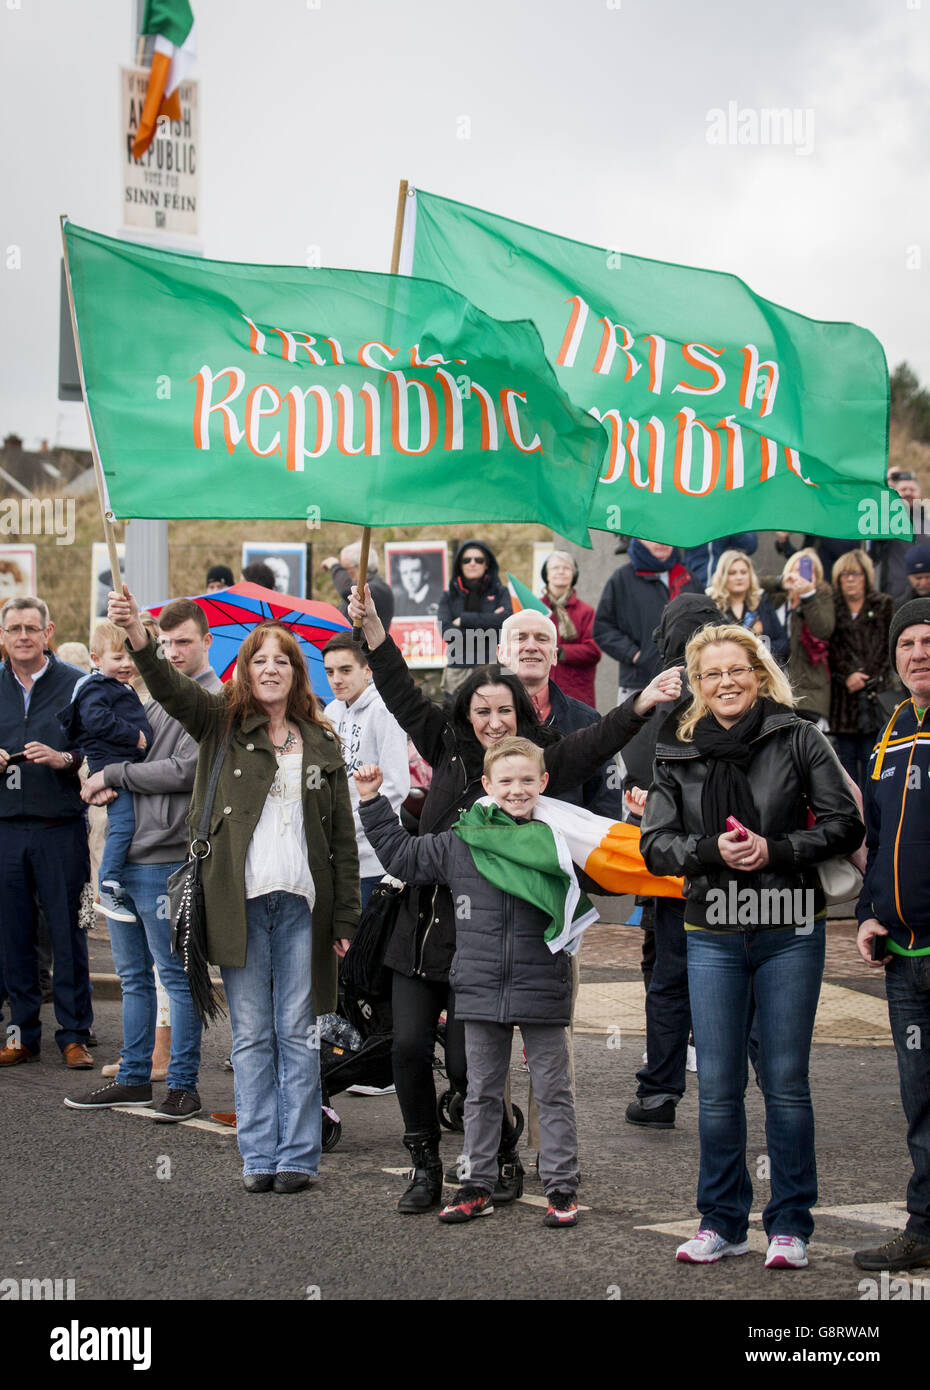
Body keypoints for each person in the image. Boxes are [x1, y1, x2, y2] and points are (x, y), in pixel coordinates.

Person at [347, 581, 680, 1212]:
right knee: (411, 1048)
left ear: (520, 719)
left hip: (499, 940)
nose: (495, 722)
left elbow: (596, 741)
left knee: (478, 1072)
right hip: (425, 929)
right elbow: (397, 690)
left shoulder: (533, 763)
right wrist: (371, 631)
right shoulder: (443, 747)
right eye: (482, 711)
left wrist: (640, 706)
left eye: (505, 711)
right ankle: (426, 1163)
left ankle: (499, 1158)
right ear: (466, 716)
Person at [107, 586, 360, 1190]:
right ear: (243, 671)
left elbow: (343, 839)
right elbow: (171, 689)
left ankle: (298, 1158)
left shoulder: (321, 740)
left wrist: (346, 919)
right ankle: (258, 1156)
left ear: (297, 671)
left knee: (298, 1036)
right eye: (259, 659)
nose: (270, 668)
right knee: (251, 1035)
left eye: (282, 659)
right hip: (237, 904)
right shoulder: (220, 724)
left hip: (303, 906)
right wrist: (139, 639)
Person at [640, 623, 862, 1269]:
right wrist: (711, 850)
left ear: (759, 674)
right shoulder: (676, 749)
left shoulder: (798, 736)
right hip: (712, 930)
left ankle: (790, 1226)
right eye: (712, 674)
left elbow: (844, 823)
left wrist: (779, 849)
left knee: (786, 1083)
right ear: (698, 686)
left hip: (789, 926)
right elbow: (655, 842)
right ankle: (722, 1222)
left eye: (737, 670)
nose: (726, 682)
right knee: (716, 1088)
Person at [357, 738, 585, 1227]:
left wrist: (632, 825)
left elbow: (610, 869)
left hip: (543, 981)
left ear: (544, 783)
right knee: (480, 1091)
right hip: (479, 984)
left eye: (528, 780)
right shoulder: (463, 840)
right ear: (487, 785)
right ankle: (477, 1184)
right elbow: (402, 856)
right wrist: (372, 801)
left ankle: (562, 1188)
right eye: (506, 781)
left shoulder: (560, 837)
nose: (517, 789)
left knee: (552, 1089)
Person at [65, 599, 222, 1116]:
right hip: (123, 854)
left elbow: (184, 771)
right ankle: (134, 1076)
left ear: (206, 642)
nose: (174, 652)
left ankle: (183, 1085)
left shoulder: (215, 701)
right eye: (166, 643)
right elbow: (122, 751)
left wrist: (113, 776)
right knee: (134, 977)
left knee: (174, 975)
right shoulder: (151, 696)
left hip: (166, 859)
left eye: (184, 642)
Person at [620, 593, 722, 1130]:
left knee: (667, 976)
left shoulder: (664, 687)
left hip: (672, 858)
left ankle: (659, 1091)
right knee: (735, 973)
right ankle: (759, 1086)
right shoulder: (734, 683)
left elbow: (636, 764)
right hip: (731, 859)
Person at [853, 598, 930, 1273]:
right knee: (921, 1103)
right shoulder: (894, 727)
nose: (918, 653)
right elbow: (878, 839)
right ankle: (925, 1230)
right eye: (906, 643)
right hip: (905, 957)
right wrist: (869, 913)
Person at [0, 596, 94, 1069]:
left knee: (68, 932)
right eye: (14, 628)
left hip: (61, 828)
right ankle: (21, 1034)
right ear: (2, 635)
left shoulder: (77, 685)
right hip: (6, 829)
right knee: (13, 935)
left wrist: (66, 760)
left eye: (31, 628)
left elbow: (97, 749)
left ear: (48, 631)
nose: (22, 636)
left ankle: (75, 1034)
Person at [57, 620, 153, 923]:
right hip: (113, 766)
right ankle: (109, 884)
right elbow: (97, 721)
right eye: (118, 658)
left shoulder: (114, 687)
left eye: (129, 656)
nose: (126, 663)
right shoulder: (96, 688)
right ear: (96, 660)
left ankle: (112, 881)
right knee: (122, 825)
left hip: (120, 766)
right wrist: (134, 736)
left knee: (124, 825)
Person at [322, 632, 409, 909]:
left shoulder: (384, 710)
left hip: (375, 858)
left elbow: (396, 786)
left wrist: (353, 827)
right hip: (337, 856)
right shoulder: (331, 713)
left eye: (345, 670)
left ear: (367, 670)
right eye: (330, 671)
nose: (336, 679)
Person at [593, 539, 697, 705]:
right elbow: (602, 628)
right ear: (638, 539)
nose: (662, 542)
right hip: (638, 684)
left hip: (685, 683)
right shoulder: (622, 579)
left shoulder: (688, 577)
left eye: (666, 536)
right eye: (653, 537)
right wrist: (635, 655)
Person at [828, 550, 893, 792]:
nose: (849, 579)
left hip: (874, 701)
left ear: (865, 576)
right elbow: (829, 650)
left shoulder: (883, 604)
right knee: (844, 767)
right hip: (842, 702)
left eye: (854, 573)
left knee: (873, 765)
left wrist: (865, 678)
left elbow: (888, 648)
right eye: (844, 575)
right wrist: (847, 677)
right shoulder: (831, 608)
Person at [760, 548, 835, 725]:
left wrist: (808, 596)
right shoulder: (777, 598)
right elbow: (750, 583)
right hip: (774, 687)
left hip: (809, 692)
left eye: (808, 572)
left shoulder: (821, 597)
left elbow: (823, 630)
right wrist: (780, 582)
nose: (800, 576)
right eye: (795, 570)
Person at [438, 540, 512, 698]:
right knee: (454, 720)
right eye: (466, 560)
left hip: (494, 669)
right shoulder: (448, 596)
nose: (472, 563)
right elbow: (447, 633)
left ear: (487, 564)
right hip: (458, 672)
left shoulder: (501, 592)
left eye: (479, 560)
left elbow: (506, 625)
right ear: (459, 564)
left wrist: (463, 620)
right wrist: (491, 622)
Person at [539, 551, 601, 708]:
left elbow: (593, 650)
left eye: (566, 568)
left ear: (574, 575)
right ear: (546, 575)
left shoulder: (586, 611)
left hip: (576, 691)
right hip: (539, 687)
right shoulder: (535, 608)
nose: (561, 571)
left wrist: (560, 651)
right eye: (555, 568)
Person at [706, 550, 788, 663]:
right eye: (732, 573)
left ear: (750, 576)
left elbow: (782, 642)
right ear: (723, 576)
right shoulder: (712, 607)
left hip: (761, 670)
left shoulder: (761, 603)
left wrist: (761, 650)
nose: (739, 577)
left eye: (743, 572)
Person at [322, 542, 395, 632]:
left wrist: (334, 565)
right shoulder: (374, 585)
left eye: (345, 569)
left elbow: (347, 590)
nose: (345, 574)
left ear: (360, 566)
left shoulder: (378, 589)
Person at [394, 553, 442, 617]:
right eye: (404, 573)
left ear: (425, 574)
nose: (409, 578)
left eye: (415, 571)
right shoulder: (398, 602)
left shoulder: (439, 598)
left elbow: (440, 625)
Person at [896, 543, 930, 610]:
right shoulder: (899, 607)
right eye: (918, 578)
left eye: (928, 577)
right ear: (909, 577)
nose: (923, 583)